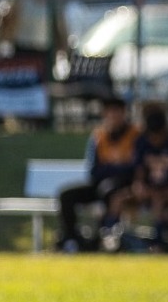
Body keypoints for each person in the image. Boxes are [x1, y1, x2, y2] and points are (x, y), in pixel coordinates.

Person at [58, 96, 138, 252]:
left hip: (124, 187)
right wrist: (115, 168)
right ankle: (72, 239)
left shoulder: (135, 135)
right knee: (67, 196)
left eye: (116, 112)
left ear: (124, 113)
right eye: (109, 112)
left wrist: (111, 169)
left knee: (111, 190)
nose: (113, 116)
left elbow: (134, 168)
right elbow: (94, 170)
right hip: (100, 184)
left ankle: (107, 237)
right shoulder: (99, 136)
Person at [112, 101, 168, 252]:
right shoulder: (141, 142)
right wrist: (140, 186)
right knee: (118, 199)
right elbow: (139, 172)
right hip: (148, 189)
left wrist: (164, 191)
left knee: (160, 202)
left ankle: (159, 241)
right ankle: (111, 236)